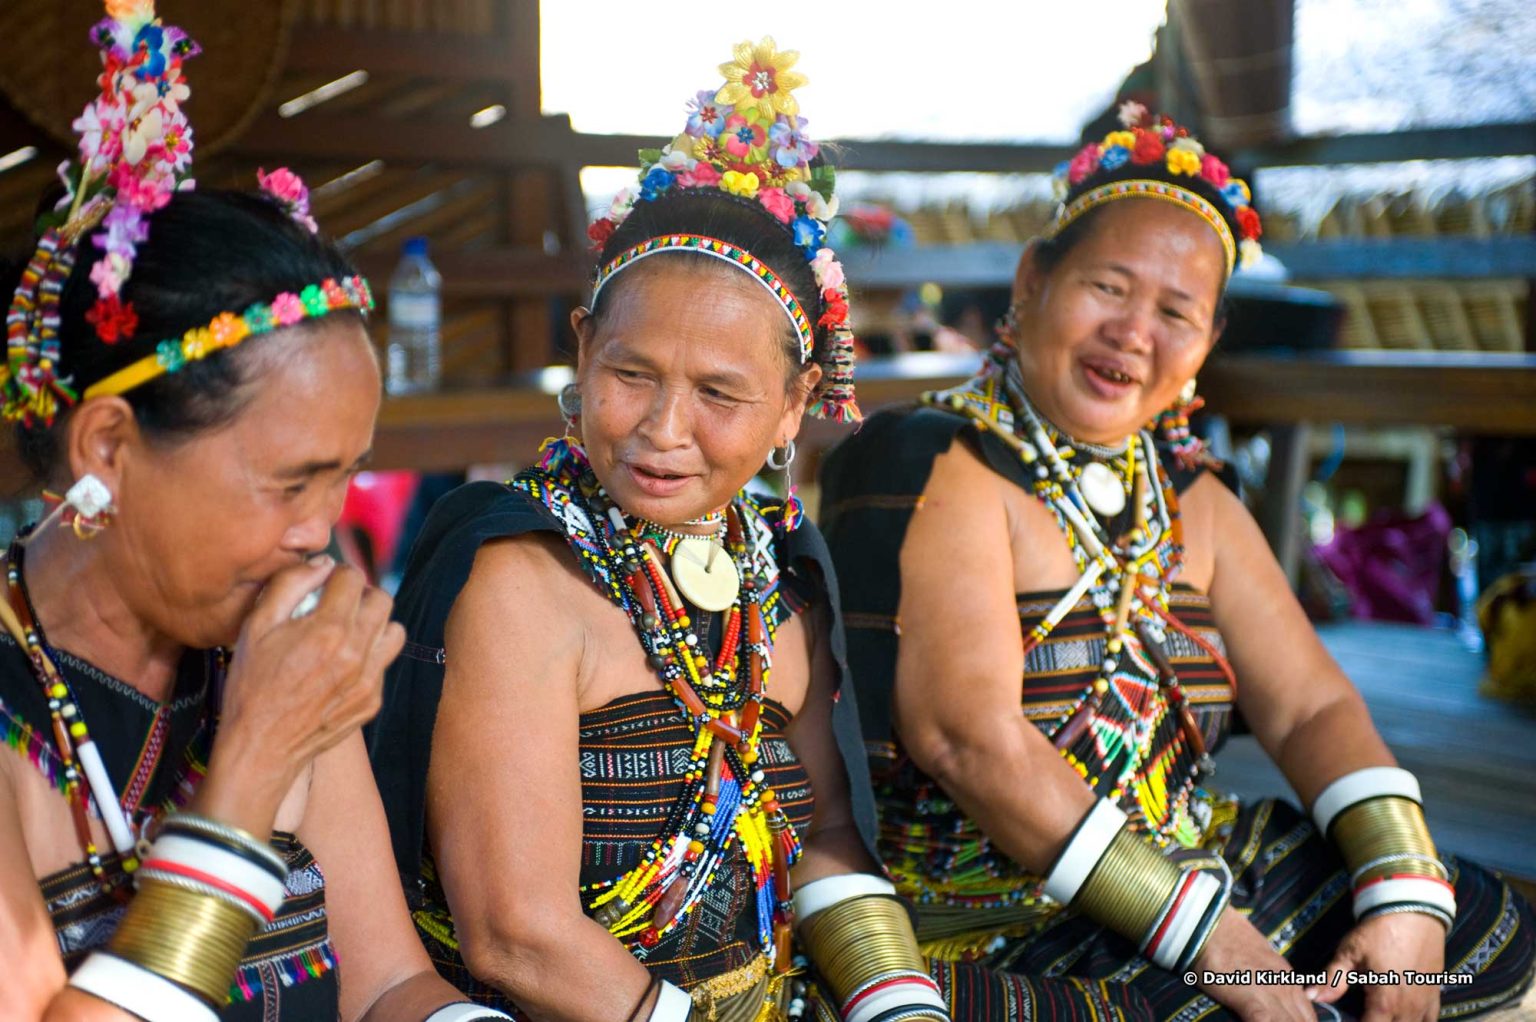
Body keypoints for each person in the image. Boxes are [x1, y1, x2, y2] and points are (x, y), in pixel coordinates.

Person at [818, 103, 1535, 1021]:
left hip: (1191, 879)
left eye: (1175, 312)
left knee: (1476, 927)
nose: (1133, 332)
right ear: (1033, 279)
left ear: (1206, 345)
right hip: (995, 929)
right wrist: (1225, 948)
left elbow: (1311, 703)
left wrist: (1403, 891)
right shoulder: (930, 457)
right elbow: (968, 742)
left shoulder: (1193, 495)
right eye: (1108, 288)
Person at [368, 39, 953, 1022]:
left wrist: (899, 1005)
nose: (660, 429)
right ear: (584, 347)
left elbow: (825, 843)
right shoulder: (517, 578)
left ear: (793, 405)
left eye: (720, 391)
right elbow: (516, 933)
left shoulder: (782, 578)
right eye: (631, 373)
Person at [1, 5, 513, 1019]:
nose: (319, 531)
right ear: (108, 447)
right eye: (291, 481)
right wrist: (253, 767)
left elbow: (389, 982)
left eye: (345, 476)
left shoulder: (267, 638)